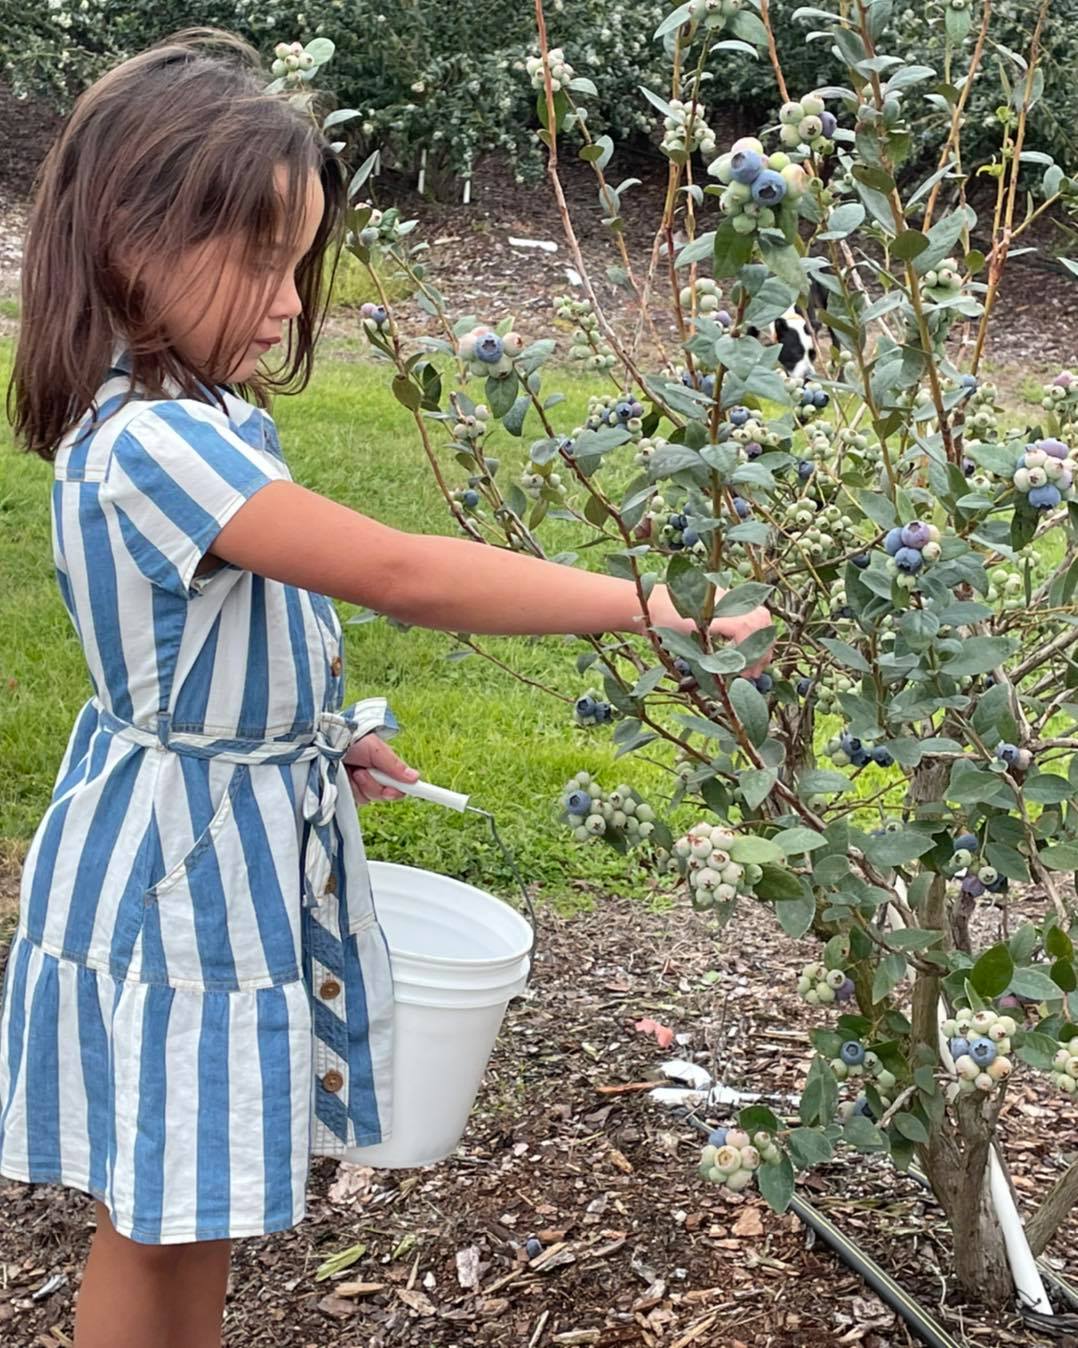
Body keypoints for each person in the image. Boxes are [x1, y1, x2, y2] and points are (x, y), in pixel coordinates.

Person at [0, 27, 772, 1348]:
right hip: (183, 870)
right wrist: (653, 606)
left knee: (201, 1195)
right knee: (158, 1205)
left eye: (299, 265)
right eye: (264, 260)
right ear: (131, 237)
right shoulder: (152, 443)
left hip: (229, 834)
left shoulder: (214, 420)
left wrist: (328, 737)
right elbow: (401, 572)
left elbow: (229, 628)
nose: (293, 304)